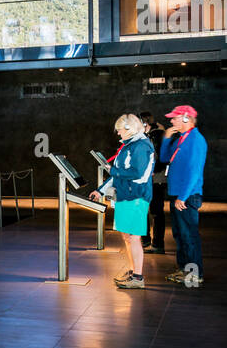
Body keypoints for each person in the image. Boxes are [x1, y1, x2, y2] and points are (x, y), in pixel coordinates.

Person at [89, 113, 155, 289]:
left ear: (129, 128)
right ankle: (134, 272)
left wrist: (113, 171)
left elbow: (137, 173)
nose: (117, 133)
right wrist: (100, 190)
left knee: (133, 237)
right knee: (127, 236)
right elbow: (116, 172)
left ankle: (138, 277)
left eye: (119, 130)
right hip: (126, 196)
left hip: (136, 196)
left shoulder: (140, 146)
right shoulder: (130, 145)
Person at [159, 104, 208, 286]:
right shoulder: (181, 139)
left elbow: (194, 172)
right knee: (180, 235)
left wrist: (183, 196)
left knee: (189, 236)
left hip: (186, 196)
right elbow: (164, 158)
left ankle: (195, 275)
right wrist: (167, 138)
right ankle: (185, 270)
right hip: (177, 194)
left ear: (186, 118)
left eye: (174, 118)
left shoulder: (195, 140)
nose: (171, 121)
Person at [140, 112, 168, 253]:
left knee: (156, 212)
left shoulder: (158, 136)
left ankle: (157, 244)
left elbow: (162, 158)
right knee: (144, 210)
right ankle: (145, 241)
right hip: (147, 179)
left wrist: (153, 169)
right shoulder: (148, 136)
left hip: (156, 179)